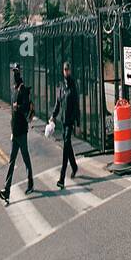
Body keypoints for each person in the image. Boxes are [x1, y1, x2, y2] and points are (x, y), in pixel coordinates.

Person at [0, 64, 34, 203]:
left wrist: (17, 107)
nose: (15, 74)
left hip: (22, 132)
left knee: (25, 158)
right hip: (15, 132)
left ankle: (30, 183)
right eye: (13, 71)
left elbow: (25, 107)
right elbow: (12, 113)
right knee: (11, 162)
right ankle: (7, 191)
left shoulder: (23, 89)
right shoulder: (13, 90)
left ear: (20, 73)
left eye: (16, 72)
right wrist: (11, 131)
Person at [50, 61, 80, 189]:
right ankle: (74, 166)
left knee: (66, 145)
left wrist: (78, 123)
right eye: (65, 70)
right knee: (67, 145)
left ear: (70, 71)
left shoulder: (73, 85)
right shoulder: (61, 86)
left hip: (70, 122)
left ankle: (62, 178)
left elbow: (77, 105)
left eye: (68, 69)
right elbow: (58, 104)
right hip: (63, 120)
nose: (66, 71)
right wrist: (53, 116)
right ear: (63, 71)